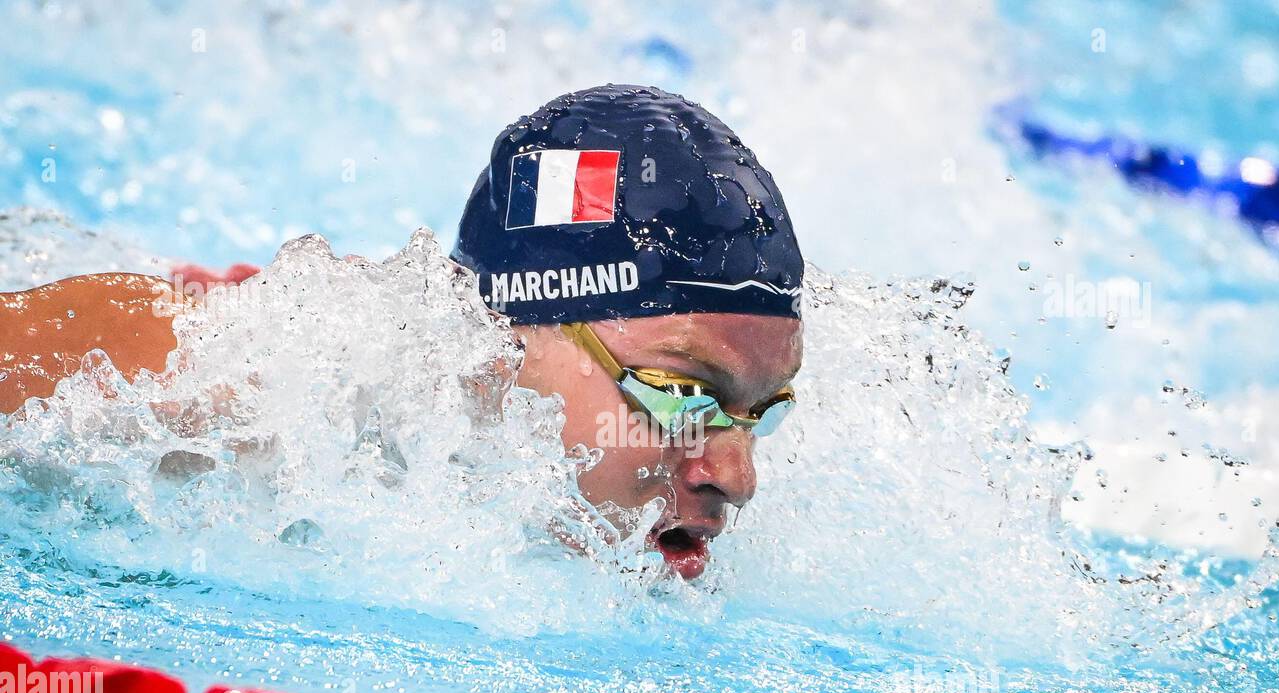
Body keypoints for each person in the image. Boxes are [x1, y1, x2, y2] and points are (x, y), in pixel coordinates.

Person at [0, 85, 803, 579]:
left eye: (762, 410)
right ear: (497, 341)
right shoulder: (256, 392)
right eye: (680, 394)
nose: (736, 477)